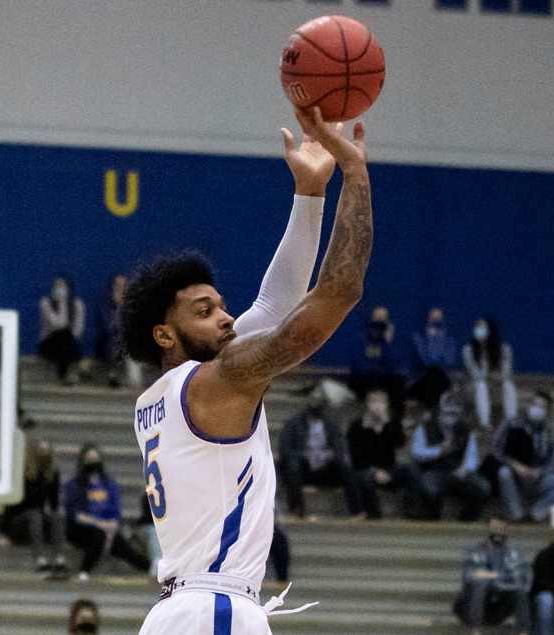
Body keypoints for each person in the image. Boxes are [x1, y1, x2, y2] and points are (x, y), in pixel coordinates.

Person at [122, 107, 372, 633]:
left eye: (221, 305)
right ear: (165, 335)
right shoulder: (219, 380)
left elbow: (273, 305)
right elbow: (339, 294)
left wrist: (310, 195)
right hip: (215, 610)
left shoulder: (161, 399)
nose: (228, 317)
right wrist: (355, 175)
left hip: (178, 610)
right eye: (205, 311)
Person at [61, 444, 150, 579]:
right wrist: (100, 524)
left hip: (107, 529)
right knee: (99, 535)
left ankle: (149, 567)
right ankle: (84, 570)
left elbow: (115, 512)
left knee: (121, 545)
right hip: (82, 529)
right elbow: (76, 515)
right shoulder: (74, 485)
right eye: (90, 460)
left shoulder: (109, 484)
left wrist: (110, 530)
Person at [277, 381, 363, 519]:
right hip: (304, 469)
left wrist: (327, 456)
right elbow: (285, 450)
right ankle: (296, 509)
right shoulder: (293, 424)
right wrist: (305, 456)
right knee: (292, 465)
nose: (315, 402)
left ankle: (357, 512)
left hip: (327, 469)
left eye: (319, 398)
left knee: (347, 466)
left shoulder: (332, 423)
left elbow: (340, 448)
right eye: (313, 398)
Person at [0, 410, 67, 577]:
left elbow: (54, 504)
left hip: (36, 521)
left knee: (56, 516)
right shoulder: (23, 471)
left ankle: (59, 558)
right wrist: (3, 531)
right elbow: (10, 504)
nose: (43, 449)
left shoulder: (51, 474)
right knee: (35, 514)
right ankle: (39, 559)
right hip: (18, 521)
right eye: (40, 446)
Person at [494, 391, 554, 525]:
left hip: (538, 478)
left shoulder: (549, 433)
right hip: (515, 476)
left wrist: (538, 472)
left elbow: (552, 462)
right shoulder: (512, 424)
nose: (536, 409)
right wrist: (515, 465)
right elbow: (497, 451)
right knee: (503, 473)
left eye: (541, 407)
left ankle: (535, 514)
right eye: (534, 404)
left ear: (547, 411)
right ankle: (517, 515)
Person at [410, 390, 491, 521]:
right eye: (448, 412)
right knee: (431, 489)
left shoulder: (465, 429)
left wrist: (466, 468)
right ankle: (432, 526)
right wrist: (438, 451)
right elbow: (416, 452)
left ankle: (465, 524)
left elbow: (472, 456)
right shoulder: (426, 426)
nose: (451, 417)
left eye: (455, 413)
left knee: (483, 487)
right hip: (433, 471)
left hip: (457, 472)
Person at [453, 516, 533, 635]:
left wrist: (493, 575)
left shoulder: (514, 552)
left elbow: (521, 576)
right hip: (474, 601)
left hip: (501, 600)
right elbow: (469, 575)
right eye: (494, 528)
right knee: (480, 584)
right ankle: (476, 631)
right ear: (488, 529)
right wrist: (501, 576)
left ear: (506, 530)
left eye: (501, 529)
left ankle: (524, 632)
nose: (497, 532)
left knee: (519, 590)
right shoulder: (475, 550)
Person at [346, 387, 415, 519]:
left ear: (387, 404)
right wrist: (375, 471)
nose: (377, 406)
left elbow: (400, 442)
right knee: (363, 477)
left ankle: (412, 514)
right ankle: (373, 516)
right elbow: (356, 455)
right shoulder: (357, 426)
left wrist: (386, 423)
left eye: (381, 402)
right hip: (368, 469)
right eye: (373, 402)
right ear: (367, 405)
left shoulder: (392, 423)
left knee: (411, 470)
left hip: (390, 468)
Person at [464, 316, 518, 428]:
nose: (479, 331)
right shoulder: (468, 351)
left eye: (483, 328)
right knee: (481, 385)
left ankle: (511, 421)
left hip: (498, 384)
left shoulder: (504, 349)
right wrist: (483, 352)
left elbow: (506, 373)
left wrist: (495, 378)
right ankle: (485, 423)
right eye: (477, 328)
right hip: (476, 387)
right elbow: (477, 375)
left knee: (509, 385)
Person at [97, 273, 144, 389]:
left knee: (133, 347)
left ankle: (135, 384)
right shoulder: (106, 304)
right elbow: (106, 325)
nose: (121, 288)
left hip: (127, 340)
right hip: (110, 340)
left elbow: (136, 326)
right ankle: (112, 375)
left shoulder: (133, 305)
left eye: (124, 285)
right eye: (118, 285)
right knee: (115, 345)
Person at [38, 275, 86, 385]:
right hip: (49, 343)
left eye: (62, 287)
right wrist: (62, 303)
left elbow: (78, 329)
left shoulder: (76, 305)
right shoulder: (46, 304)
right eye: (57, 287)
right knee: (63, 335)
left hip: (68, 344)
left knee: (66, 339)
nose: (60, 291)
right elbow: (57, 323)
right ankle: (68, 374)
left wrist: (66, 303)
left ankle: (63, 375)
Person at [407, 306, 457, 408]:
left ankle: (432, 412)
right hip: (422, 379)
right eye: (433, 319)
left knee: (435, 375)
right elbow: (426, 362)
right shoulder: (418, 339)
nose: (436, 322)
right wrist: (430, 340)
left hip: (442, 379)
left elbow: (449, 361)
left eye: (438, 320)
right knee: (431, 375)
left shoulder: (449, 341)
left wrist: (439, 340)